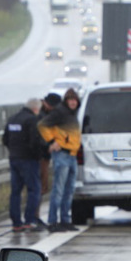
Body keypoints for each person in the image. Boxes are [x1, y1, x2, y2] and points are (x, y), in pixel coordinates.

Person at [38, 88, 81, 232]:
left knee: (69, 191)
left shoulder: (72, 114)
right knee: (59, 189)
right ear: (66, 101)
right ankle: (52, 221)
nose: (73, 102)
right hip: (62, 154)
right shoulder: (60, 112)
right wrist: (52, 142)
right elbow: (42, 125)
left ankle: (65, 219)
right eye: (70, 100)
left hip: (72, 155)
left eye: (74, 100)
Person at [2, 97, 47, 232]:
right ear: (35, 109)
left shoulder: (12, 119)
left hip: (14, 159)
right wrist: (38, 155)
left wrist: (14, 151)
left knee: (15, 191)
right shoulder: (32, 120)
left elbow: (5, 139)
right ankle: (29, 220)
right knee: (34, 190)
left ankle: (16, 223)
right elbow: (35, 141)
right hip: (29, 160)